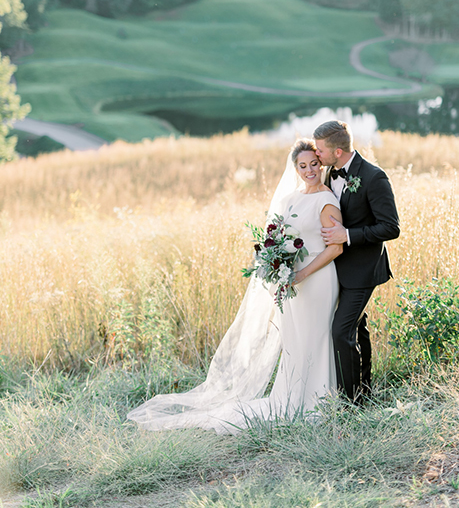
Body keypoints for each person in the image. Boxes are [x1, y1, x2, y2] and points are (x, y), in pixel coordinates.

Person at [127, 139, 343, 434]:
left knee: (315, 340)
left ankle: (318, 402)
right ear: (296, 168)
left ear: (322, 164)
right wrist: (276, 265)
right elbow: (277, 238)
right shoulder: (290, 200)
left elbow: (335, 249)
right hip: (291, 282)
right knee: (295, 342)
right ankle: (291, 398)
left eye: (314, 164)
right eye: (302, 166)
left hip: (317, 281)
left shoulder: (326, 200)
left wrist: (302, 273)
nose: (309, 170)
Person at [312, 119, 399, 403]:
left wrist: (346, 235)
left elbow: (390, 227)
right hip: (335, 269)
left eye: (320, 150)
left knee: (341, 332)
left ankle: (351, 402)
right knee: (356, 329)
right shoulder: (328, 174)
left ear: (337, 151)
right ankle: (363, 391)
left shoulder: (374, 177)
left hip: (362, 270)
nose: (316, 155)